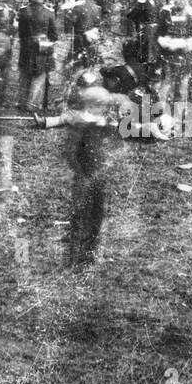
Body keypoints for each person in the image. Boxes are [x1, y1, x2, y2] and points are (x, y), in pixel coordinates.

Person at [63, 85, 116, 266]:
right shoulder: (80, 124)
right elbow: (70, 152)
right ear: (91, 105)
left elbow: (111, 141)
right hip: (85, 176)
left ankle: (92, 254)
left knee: (98, 215)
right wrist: (80, 172)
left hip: (100, 174)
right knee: (80, 216)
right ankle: (74, 256)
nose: (103, 110)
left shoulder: (102, 123)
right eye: (100, 106)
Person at [17, 0, 58, 110]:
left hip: (26, 46)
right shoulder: (49, 12)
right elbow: (54, 35)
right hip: (42, 47)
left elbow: (21, 32)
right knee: (39, 75)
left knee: (25, 73)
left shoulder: (23, 11)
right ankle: (33, 104)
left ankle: (22, 103)